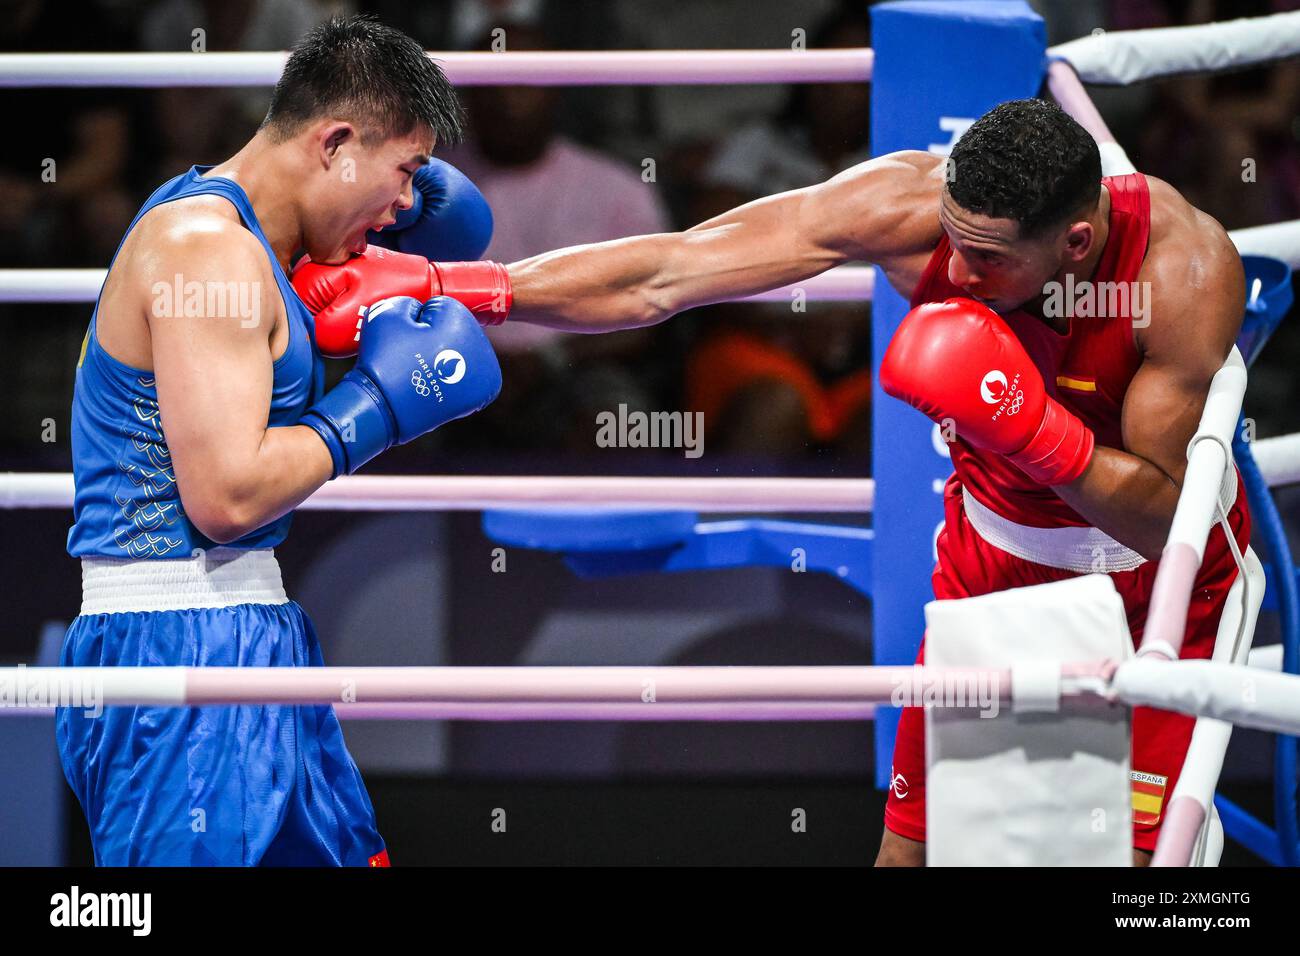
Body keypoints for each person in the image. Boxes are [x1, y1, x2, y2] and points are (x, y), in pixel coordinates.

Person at [306, 98, 1251, 865]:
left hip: (1152, 591)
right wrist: (456, 287)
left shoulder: (1183, 273)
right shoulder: (912, 208)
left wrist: (1039, 432)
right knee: (912, 852)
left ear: (1077, 246)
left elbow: (1169, 523)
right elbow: (669, 274)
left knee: (1141, 874)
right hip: (989, 562)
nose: (955, 271)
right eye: (953, 240)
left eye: (989, 258)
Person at [59, 15, 502, 866]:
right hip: (179, 650)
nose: (410, 203)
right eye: (404, 171)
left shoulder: (260, 245)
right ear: (335, 141)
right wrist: (380, 403)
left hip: (246, 626)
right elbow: (227, 498)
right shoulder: (207, 252)